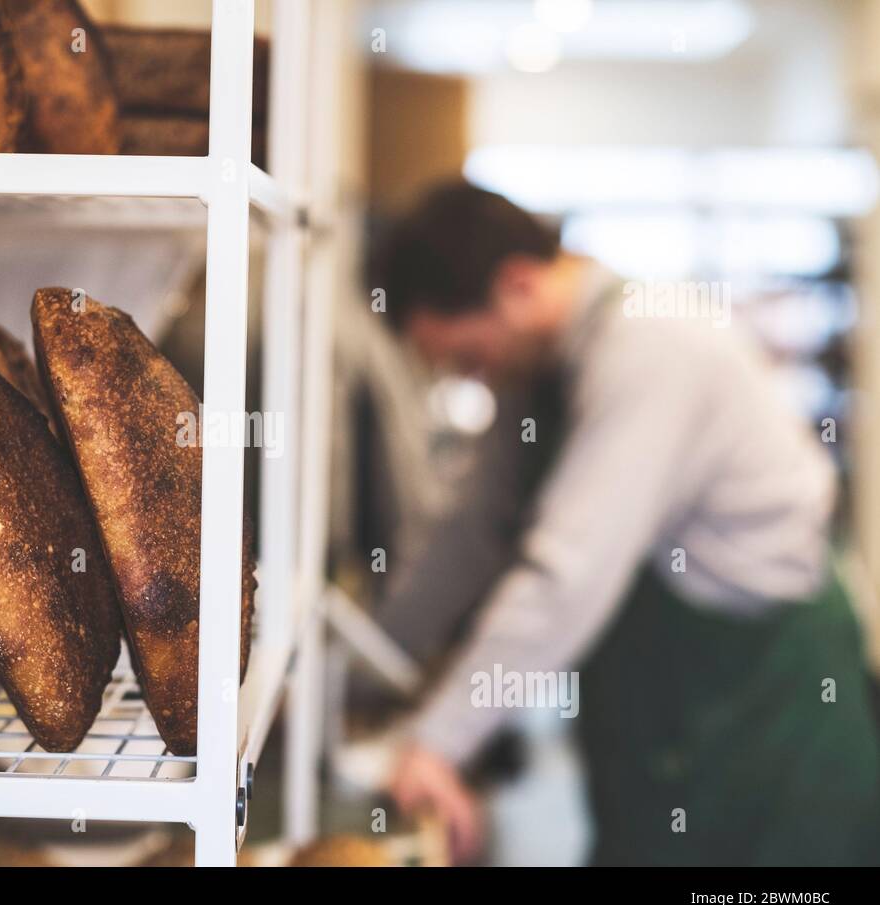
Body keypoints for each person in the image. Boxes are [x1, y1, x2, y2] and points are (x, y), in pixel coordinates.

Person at [377, 181, 880, 866]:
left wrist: (438, 742)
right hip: (656, 711)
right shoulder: (537, 367)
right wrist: (366, 664)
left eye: (469, 358)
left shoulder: (651, 346)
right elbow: (468, 535)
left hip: (763, 702)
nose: (475, 378)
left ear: (518, 285)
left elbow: (568, 571)